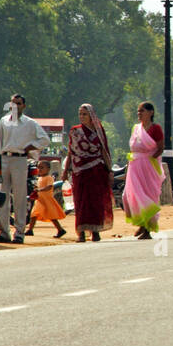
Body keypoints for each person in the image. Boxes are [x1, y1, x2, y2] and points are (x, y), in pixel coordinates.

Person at [0, 94, 50, 244]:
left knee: (19, 197)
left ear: (23, 106)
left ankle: (19, 233)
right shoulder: (4, 121)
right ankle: (4, 232)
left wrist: (30, 147)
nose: (15, 106)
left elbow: (45, 139)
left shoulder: (30, 123)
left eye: (18, 103)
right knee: (3, 197)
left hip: (20, 159)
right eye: (13, 103)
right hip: (4, 158)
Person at [67, 103, 114, 242]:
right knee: (80, 201)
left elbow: (104, 151)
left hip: (96, 171)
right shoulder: (75, 131)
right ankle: (81, 232)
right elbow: (72, 152)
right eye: (80, 114)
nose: (82, 117)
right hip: (79, 172)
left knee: (96, 201)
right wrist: (66, 171)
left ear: (91, 116)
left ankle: (95, 231)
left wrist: (109, 170)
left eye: (84, 114)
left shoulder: (98, 131)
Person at [122, 101, 164, 240]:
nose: (139, 113)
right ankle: (141, 222)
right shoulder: (136, 129)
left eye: (142, 111)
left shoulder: (155, 128)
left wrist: (150, 160)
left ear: (151, 112)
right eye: (138, 111)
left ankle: (147, 228)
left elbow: (160, 148)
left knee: (147, 196)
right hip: (135, 166)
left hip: (149, 166)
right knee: (131, 196)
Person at [26, 160, 67, 238]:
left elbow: (49, 187)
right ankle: (30, 230)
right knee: (33, 215)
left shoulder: (49, 178)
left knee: (52, 217)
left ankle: (60, 229)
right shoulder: (39, 178)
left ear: (48, 169)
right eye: (38, 167)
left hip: (47, 201)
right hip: (39, 201)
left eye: (42, 168)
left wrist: (40, 189)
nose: (39, 169)